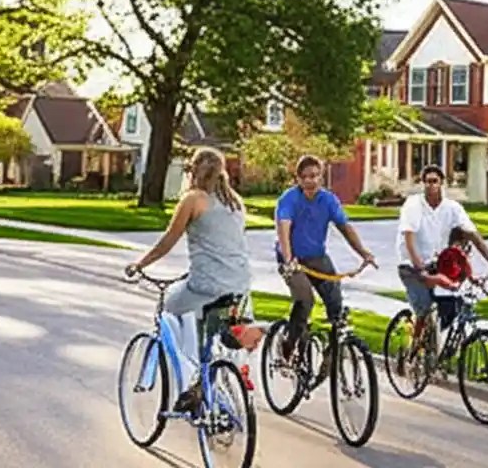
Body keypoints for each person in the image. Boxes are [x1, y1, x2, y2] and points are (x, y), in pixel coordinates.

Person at [125, 147, 263, 412]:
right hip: (240, 283)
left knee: (169, 305)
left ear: (194, 170)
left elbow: (167, 241)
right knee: (212, 323)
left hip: (208, 284)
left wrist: (139, 264)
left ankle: (194, 374)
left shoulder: (193, 199)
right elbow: (224, 244)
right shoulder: (234, 201)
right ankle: (210, 371)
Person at [275, 154, 377, 361]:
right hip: (292, 259)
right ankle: (289, 344)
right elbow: (283, 230)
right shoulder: (289, 199)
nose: (310, 181)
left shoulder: (328, 200)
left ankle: (333, 353)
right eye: (305, 177)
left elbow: (345, 228)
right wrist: (288, 260)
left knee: (335, 304)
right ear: (298, 179)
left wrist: (363, 252)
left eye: (314, 176)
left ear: (321, 177)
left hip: (317, 258)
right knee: (305, 300)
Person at [396, 165, 488, 349]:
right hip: (411, 266)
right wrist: (419, 268)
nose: (431, 185)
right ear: (423, 184)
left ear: (442, 183)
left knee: (454, 304)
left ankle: (436, 351)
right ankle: (412, 351)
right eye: (427, 181)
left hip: (437, 265)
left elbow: (472, 234)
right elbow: (409, 237)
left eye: (435, 181)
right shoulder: (413, 205)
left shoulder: (452, 208)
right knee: (424, 308)